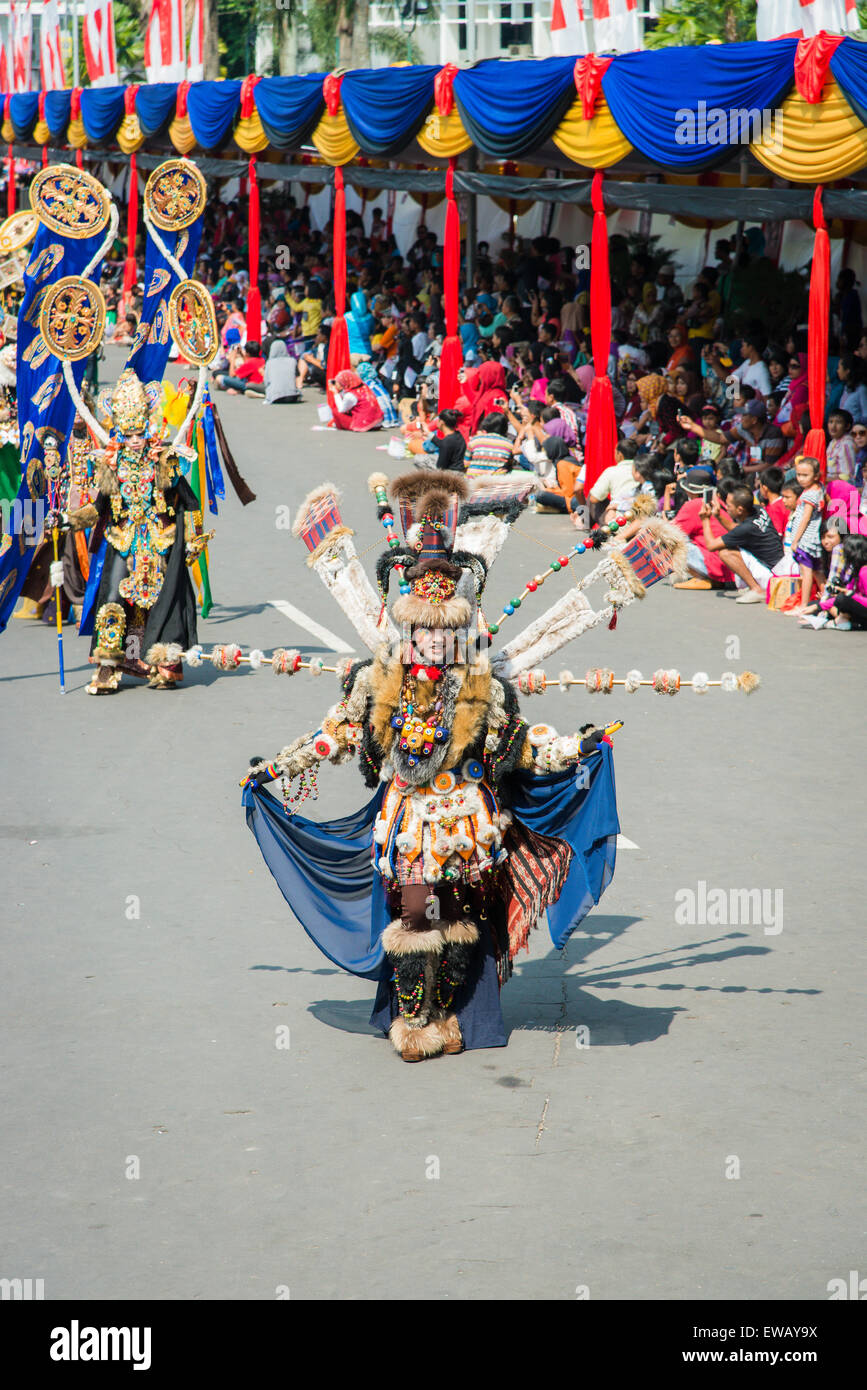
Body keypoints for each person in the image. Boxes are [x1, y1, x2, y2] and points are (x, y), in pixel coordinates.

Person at [241, 471, 623, 1062]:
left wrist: (578, 748)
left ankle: (448, 1014)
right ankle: (413, 1019)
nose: (436, 640)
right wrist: (277, 768)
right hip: (411, 823)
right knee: (417, 916)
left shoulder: (480, 684)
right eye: (424, 630)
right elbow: (336, 735)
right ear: (409, 626)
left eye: (447, 631)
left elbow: (522, 743)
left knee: (463, 920)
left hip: (470, 825)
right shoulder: (379, 681)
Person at [52, 370, 209, 693]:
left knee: (163, 602)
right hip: (124, 543)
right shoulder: (112, 466)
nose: (136, 439)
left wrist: (192, 540)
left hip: (159, 542)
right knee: (112, 601)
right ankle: (108, 667)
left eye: (140, 433)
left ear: (147, 429)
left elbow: (187, 502)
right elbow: (98, 509)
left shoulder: (163, 461)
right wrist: (68, 520)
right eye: (130, 433)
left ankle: (163, 663)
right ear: (121, 432)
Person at [698, 483, 784, 603]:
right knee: (733, 546)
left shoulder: (747, 528)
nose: (726, 508)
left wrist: (705, 520)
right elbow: (736, 529)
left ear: (740, 509)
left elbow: (711, 545)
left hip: (772, 575)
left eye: (728, 506)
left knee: (725, 552)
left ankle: (757, 589)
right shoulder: (758, 510)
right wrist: (718, 516)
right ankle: (754, 586)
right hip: (778, 566)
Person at [788, 455, 825, 613]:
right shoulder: (817, 489)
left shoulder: (810, 494)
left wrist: (796, 540)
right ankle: (826, 600)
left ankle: (803, 605)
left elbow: (805, 518)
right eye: (799, 475)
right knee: (817, 572)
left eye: (805, 475)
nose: (801, 479)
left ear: (816, 476)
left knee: (807, 572)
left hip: (805, 539)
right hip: (810, 539)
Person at [262, 340, 301, 405]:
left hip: (276, 397)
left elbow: (266, 382)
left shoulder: (269, 363)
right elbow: (296, 377)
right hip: (292, 396)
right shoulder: (292, 361)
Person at [826, 409, 857, 483]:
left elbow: (848, 477)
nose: (833, 426)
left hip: (846, 489)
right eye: (831, 422)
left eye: (838, 422)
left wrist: (824, 479)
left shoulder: (846, 444)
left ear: (847, 426)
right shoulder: (833, 442)